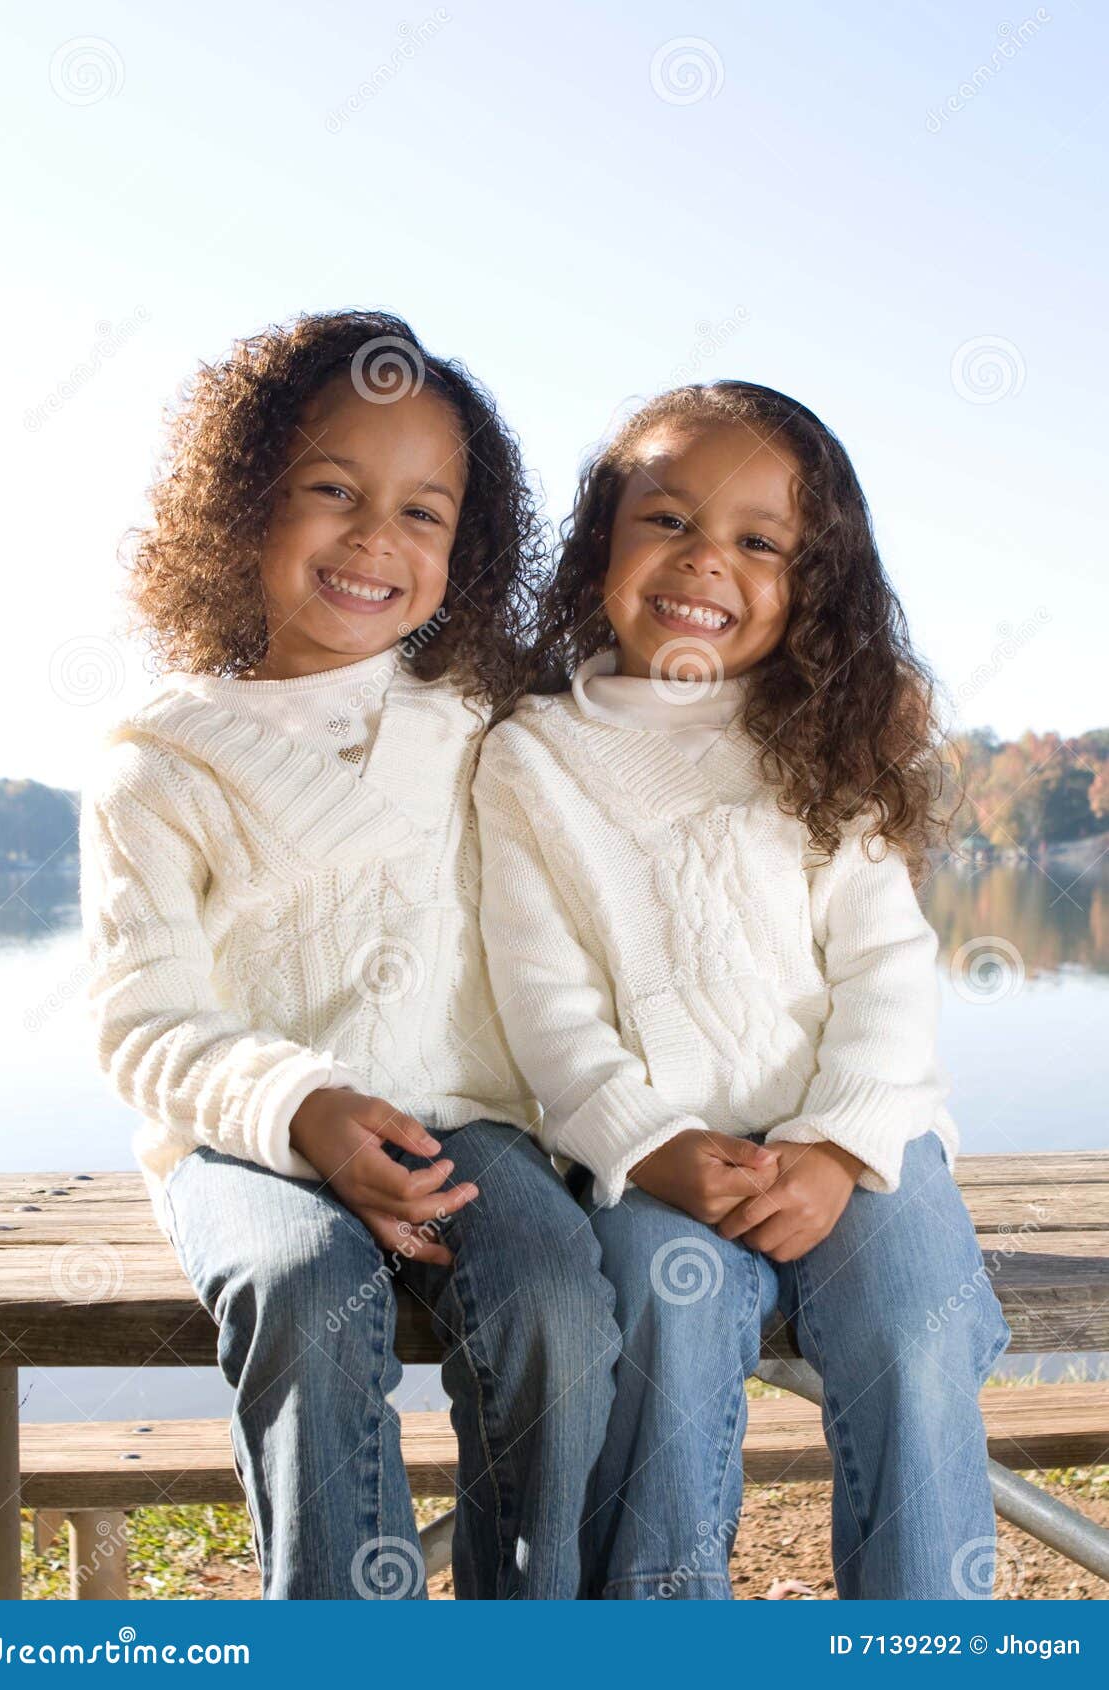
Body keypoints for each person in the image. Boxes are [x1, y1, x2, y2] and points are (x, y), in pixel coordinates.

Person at [79, 310, 619, 1599]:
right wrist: (301, 1108)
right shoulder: (162, 760)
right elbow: (141, 1024)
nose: (378, 535)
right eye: (333, 489)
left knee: (556, 1297)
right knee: (304, 1287)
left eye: (425, 512)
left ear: (465, 546)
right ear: (240, 502)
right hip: (251, 1134)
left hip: (469, 1120)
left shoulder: (485, 718)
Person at [473, 380, 1011, 1600]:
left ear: (808, 582)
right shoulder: (532, 758)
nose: (705, 562)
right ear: (603, 537)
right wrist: (646, 1141)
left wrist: (835, 1144)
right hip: (659, 1157)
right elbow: (543, 1000)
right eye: (667, 520)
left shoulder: (824, 740)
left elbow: (886, 970)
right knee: (668, 1325)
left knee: (914, 1330)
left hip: (861, 1142)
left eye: (759, 542)